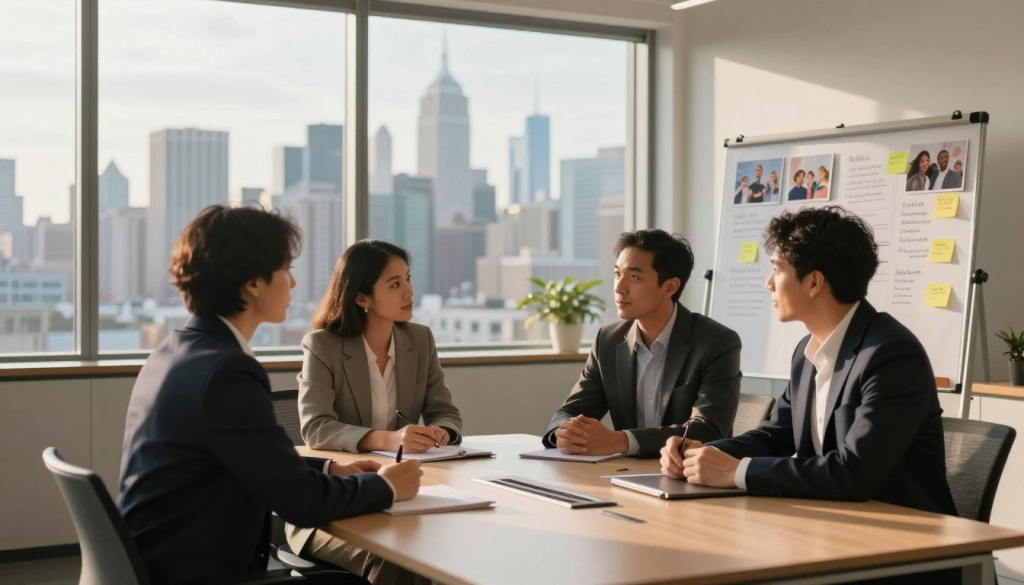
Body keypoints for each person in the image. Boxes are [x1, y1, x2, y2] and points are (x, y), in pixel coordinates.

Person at [118, 205, 422, 585]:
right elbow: (302, 502)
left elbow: (252, 460)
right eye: (285, 270)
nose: (292, 284)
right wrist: (388, 485)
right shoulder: (227, 372)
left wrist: (329, 467)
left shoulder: (175, 351)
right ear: (253, 283)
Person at [659, 206, 956, 516]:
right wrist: (701, 453)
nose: (768, 283)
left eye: (777, 268)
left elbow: (853, 473)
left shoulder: (890, 355)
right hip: (832, 524)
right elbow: (775, 437)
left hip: (906, 540)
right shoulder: (807, 351)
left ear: (814, 282)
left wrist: (735, 472)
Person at [288, 239, 462, 584]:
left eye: (408, 279)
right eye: (395, 284)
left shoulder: (420, 340)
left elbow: (446, 413)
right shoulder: (323, 345)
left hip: (406, 496)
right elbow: (316, 427)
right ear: (361, 297)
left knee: (451, 547)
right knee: (398, 557)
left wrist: (442, 432)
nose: (409, 291)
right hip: (333, 509)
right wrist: (390, 439)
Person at [542, 229, 742, 458]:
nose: (619, 287)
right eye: (618, 274)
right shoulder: (607, 341)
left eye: (634, 277)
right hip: (626, 474)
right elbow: (571, 410)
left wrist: (621, 441)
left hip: (691, 477)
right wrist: (564, 432)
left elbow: (707, 430)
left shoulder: (716, 342)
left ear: (670, 287)